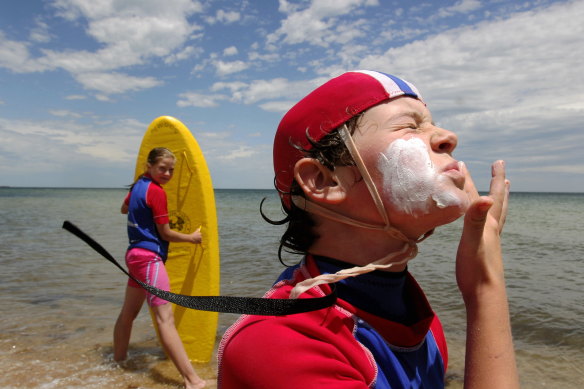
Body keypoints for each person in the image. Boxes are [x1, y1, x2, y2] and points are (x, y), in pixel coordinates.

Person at [218, 70, 519, 388]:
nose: (448, 138)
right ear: (325, 180)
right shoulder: (279, 342)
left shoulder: (418, 318)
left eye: (431, 123)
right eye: (410, 126)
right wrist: (485, 290)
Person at [114, 147, 206, 389]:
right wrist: (192, 238)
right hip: (149, 259)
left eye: (171, 170)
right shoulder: (156, 192)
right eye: (162, 168)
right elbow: (166, 233)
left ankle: (118, 362)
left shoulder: (137, 188)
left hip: (133, 256)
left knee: (128, 314)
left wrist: (141, 216)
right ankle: (192, 380)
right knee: (165, 319)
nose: (167, 173)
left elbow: (124, 209)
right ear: (149, 166)